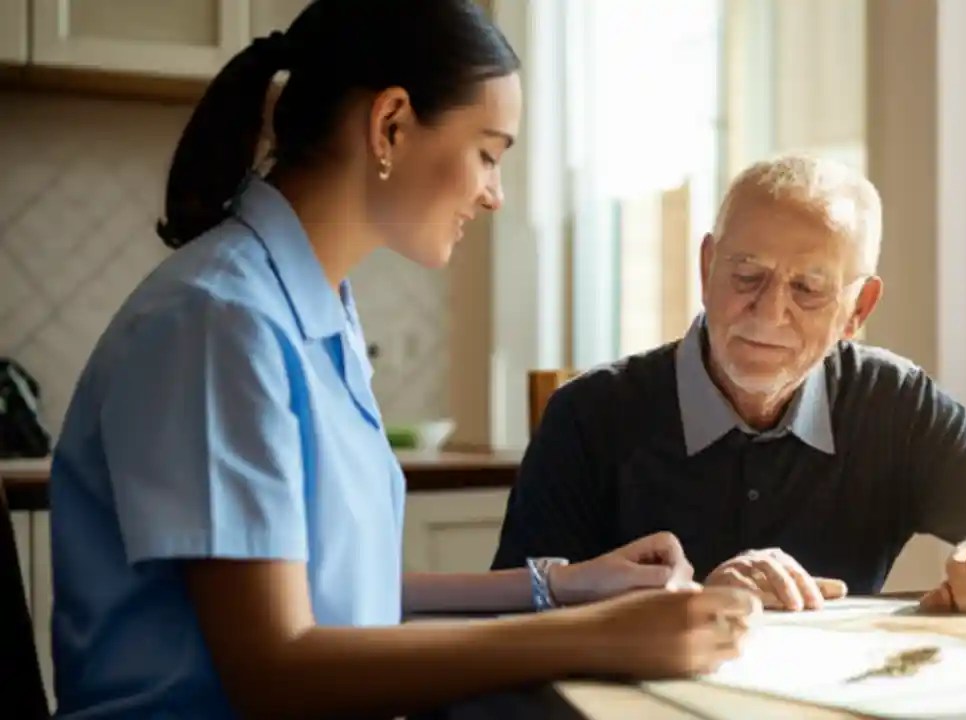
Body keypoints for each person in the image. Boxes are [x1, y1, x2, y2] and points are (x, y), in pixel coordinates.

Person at [47, 2, 758, 718]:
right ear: (390, 125)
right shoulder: (220, 321)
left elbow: (342, 594)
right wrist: (589, 637)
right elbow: (275, 668)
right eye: (487, 152)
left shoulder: (312, 310)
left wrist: (560, 585)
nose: (495, 195)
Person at [492, 155, 966, 614]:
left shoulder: (894, 406)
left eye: (808, 288)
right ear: (708, 266)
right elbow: (510, 622)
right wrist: (689, 607)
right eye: (747, 274)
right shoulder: (590, 415)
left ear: (859, 310)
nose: (770, 313)